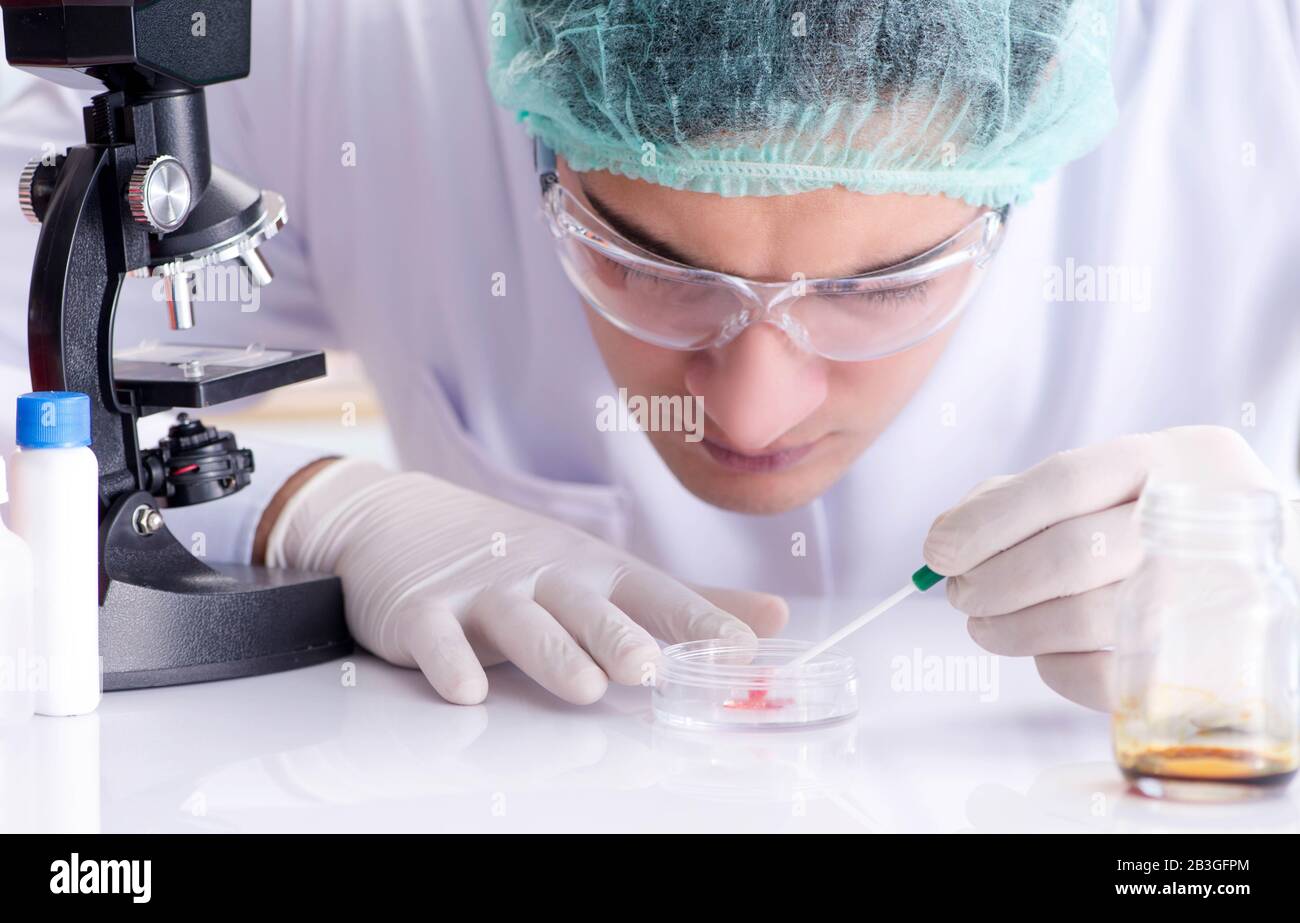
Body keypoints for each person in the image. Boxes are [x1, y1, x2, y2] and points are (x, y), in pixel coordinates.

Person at [1, 0, 1297, 711]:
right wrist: (295, 510)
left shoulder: (1255, 78)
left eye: (880, 283)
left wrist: (1268, 601)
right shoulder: (357, 38)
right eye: (645, 264)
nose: (755, 399)